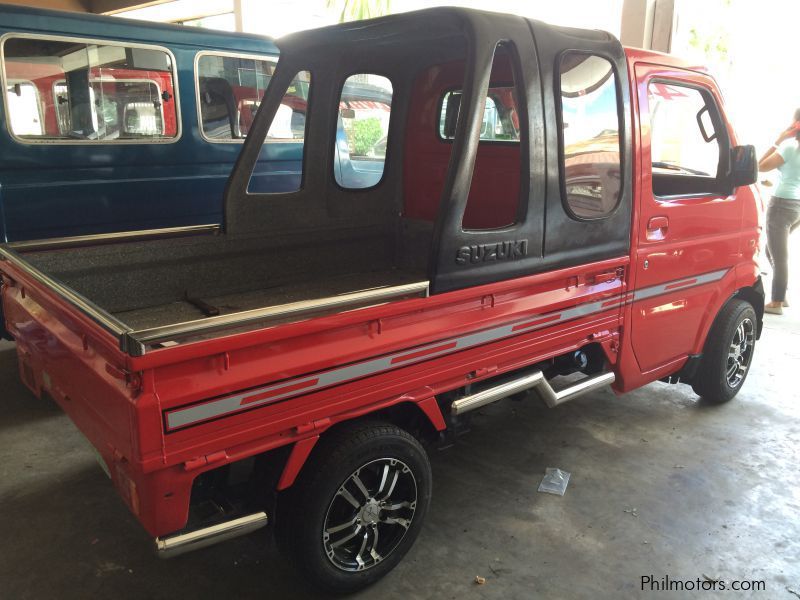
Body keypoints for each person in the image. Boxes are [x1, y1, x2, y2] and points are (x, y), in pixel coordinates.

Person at [758, 110, 800, 315]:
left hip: (782, 204)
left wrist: (779, 140)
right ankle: (781, 295)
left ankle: (776, 302)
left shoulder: (790, 147)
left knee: (780, 256)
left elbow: (760, 165)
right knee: (771, 250)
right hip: (797, 206)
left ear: (796, 125)